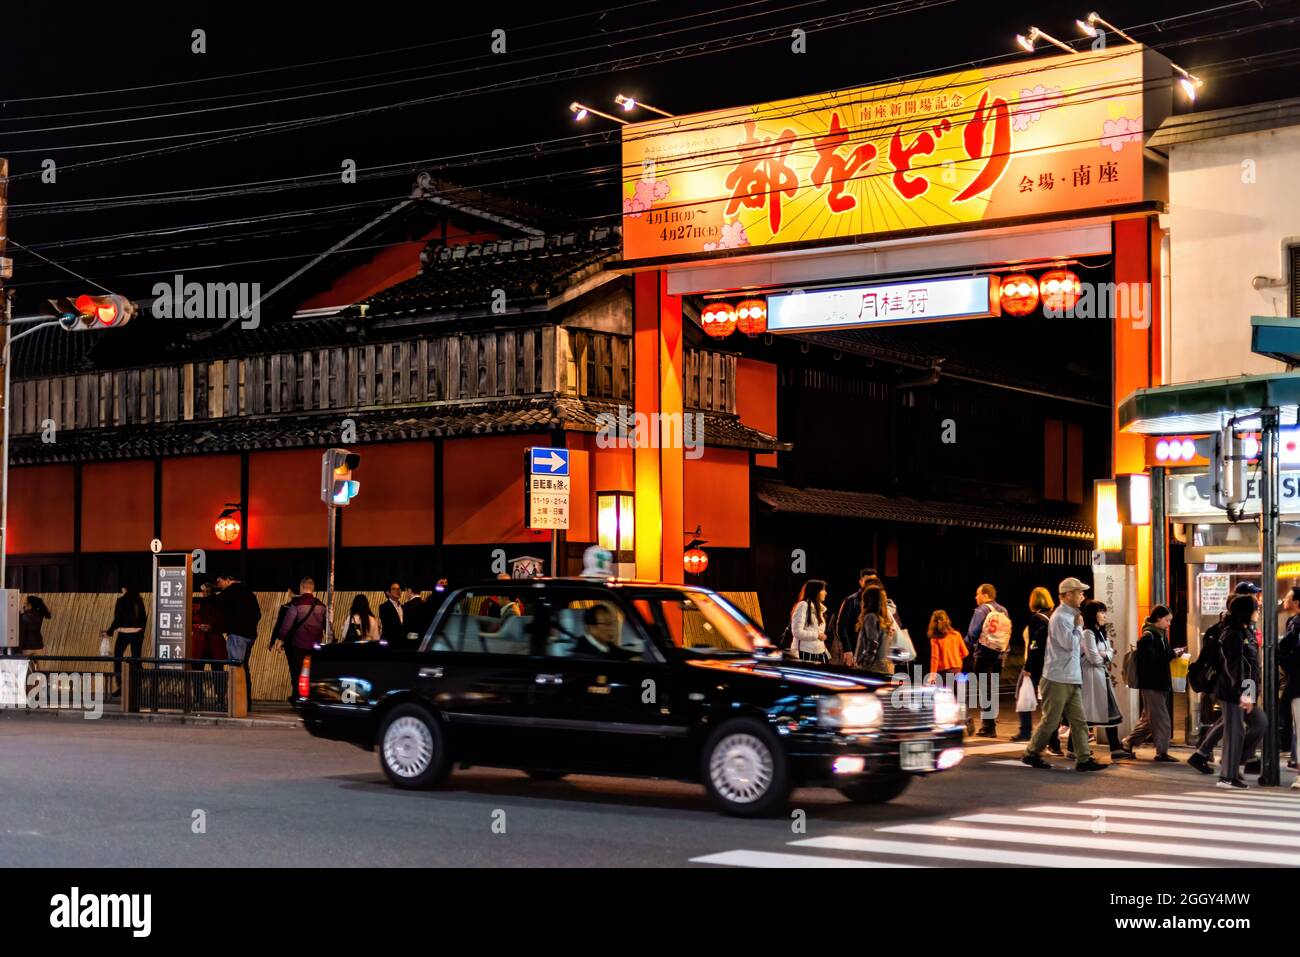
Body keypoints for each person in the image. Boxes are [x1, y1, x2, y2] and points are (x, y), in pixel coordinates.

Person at [1021, 577, 1107, 772]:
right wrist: (1079, 626)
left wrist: (1078, 624)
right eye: (1080, 592)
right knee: (1051, 721)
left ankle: (1084, 759)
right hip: (1057, 677)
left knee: (1079, 721)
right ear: (1068, 594)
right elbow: (1069, 644)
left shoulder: (1072, 615)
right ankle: (1031, 753)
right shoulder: (1060, 617)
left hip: (1070, 676)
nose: (1083, 596)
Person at [1215, 594, 1268, 789]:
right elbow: (1236, 666)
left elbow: (1250, 666)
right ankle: (1227, 776)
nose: (1257, 612)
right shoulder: (1233, 633)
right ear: (1246, 611)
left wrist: (1250, 692)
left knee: (1260, 722)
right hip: (1233, 692)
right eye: (1255, 608)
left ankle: (1236, 761)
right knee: (1234, 732)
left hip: (1246, 689)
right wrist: (1245, 693)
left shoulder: (1245, 631)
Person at [1121, 604, 1182, 762]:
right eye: (1167, 620)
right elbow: (1151, 660)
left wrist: (1171, 653)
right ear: (1159, 618)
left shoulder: (1160, 635)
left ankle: (1127, 742)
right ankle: (1162, 752)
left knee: (1149, 719)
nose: (1169, 624)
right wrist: (1172, 654)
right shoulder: (1148, 636)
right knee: (1162, 719)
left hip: (1159, 682)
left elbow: (1160, 656)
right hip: (1151, 683)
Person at [1081, 600, 1133, 758]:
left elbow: (1110, 653)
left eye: (1104, 612)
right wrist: (1104, 656)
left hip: (1101, 676)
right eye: (1101, 612)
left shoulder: (1100, 633)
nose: (1104, 615)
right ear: (1092, 614)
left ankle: (1115, 747)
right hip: (1090, 677)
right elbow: (1094, 659)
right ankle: (1075, 747)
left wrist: (1104, 655)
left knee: (1107, 710)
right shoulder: (1087, 633)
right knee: (1087, 714)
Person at [966, 583, 1009, 737]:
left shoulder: (982, 610)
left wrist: (964, 648)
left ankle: (988, 727)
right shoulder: (1003, 610)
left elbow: (973, 632)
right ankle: (990, 724)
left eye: (978, 594)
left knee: (985, 691)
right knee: (993, 691)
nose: (976, 597)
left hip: (984, 654)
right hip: (999, 655)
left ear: (985, 595)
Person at [272, 578, 327, 698]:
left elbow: (287, 624)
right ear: (313, 588)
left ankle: (299, 697)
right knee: (312, 672)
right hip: (315, 645)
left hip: (299, 644)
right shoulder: (321, 606)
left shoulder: (296, 604)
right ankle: (312, 696)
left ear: (301, 587)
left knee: (298, 672)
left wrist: (280, 639)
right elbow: (327, 626)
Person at [215, 573, 261, 706]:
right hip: (250, 635)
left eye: (219, 582)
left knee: (236, 669)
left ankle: (237, 703)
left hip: (237, 635)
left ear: (228, 580)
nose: (218, 585)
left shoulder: (230, 592)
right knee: (244, 668)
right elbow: (258, 614)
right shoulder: (249, 593)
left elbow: (215, 602)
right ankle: (246, 702)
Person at [1015, 587, 1054, 743]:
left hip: (1035, 664)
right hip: (1051, 663)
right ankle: (1052, 738)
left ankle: (1025, 731)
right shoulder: (1053, 616)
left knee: (1021, 694)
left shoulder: (1036, 619)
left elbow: (1034, 644)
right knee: (1049, 700)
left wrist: (1028, 667)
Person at [105, 585, 146, 697]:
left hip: (124, 633)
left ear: (125, 589)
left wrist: (109, 631)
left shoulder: (121, 600)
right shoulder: (139, 600)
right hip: (137, 634)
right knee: (136, 659)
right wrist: (141, 633)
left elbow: (117, 619)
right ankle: (138, 686)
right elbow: (143, 619)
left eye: (122, 588)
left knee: (118, 658)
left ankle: (120, 685)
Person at [833, 568, 873, 667]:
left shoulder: (880, 601)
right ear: (860, 582)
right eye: (867, 581)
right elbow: (841, 626)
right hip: (856, 648)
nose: (870, 584)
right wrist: (847, 649)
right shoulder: (851, 600)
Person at [854, 585, 897, 675]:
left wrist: (865, 663)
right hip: (886, 665)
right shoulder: (885, 619)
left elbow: (872, 643)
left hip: (873, 667)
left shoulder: (870, 617)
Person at [790, 579, 831, 664]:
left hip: (819, 653)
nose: (825, 593)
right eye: (823, 590)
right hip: (805, 652)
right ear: (815, 591)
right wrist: (817, 635)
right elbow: (797, 632)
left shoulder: (820, 609)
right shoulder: (803, 605)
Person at [190, 581, 226, 670]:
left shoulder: (219, 605)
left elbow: (225, 623)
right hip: (199, 641)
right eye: (203, 591)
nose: (205, 594)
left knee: (218, 672)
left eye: (208, 591)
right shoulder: (195, 605)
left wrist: (212, 628)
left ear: (212, 592)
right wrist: (198, 627)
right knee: (197, 672)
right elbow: (188, 623)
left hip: (215, 641)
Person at [926, 610, 966, 687]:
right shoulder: (956, 634)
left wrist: (932, 676)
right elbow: (965, 653)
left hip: (943, 674)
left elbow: (935, 658)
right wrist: (955, 659)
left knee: (943, 698)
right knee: (956, 697)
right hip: (957, 671)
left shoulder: (935, 639)